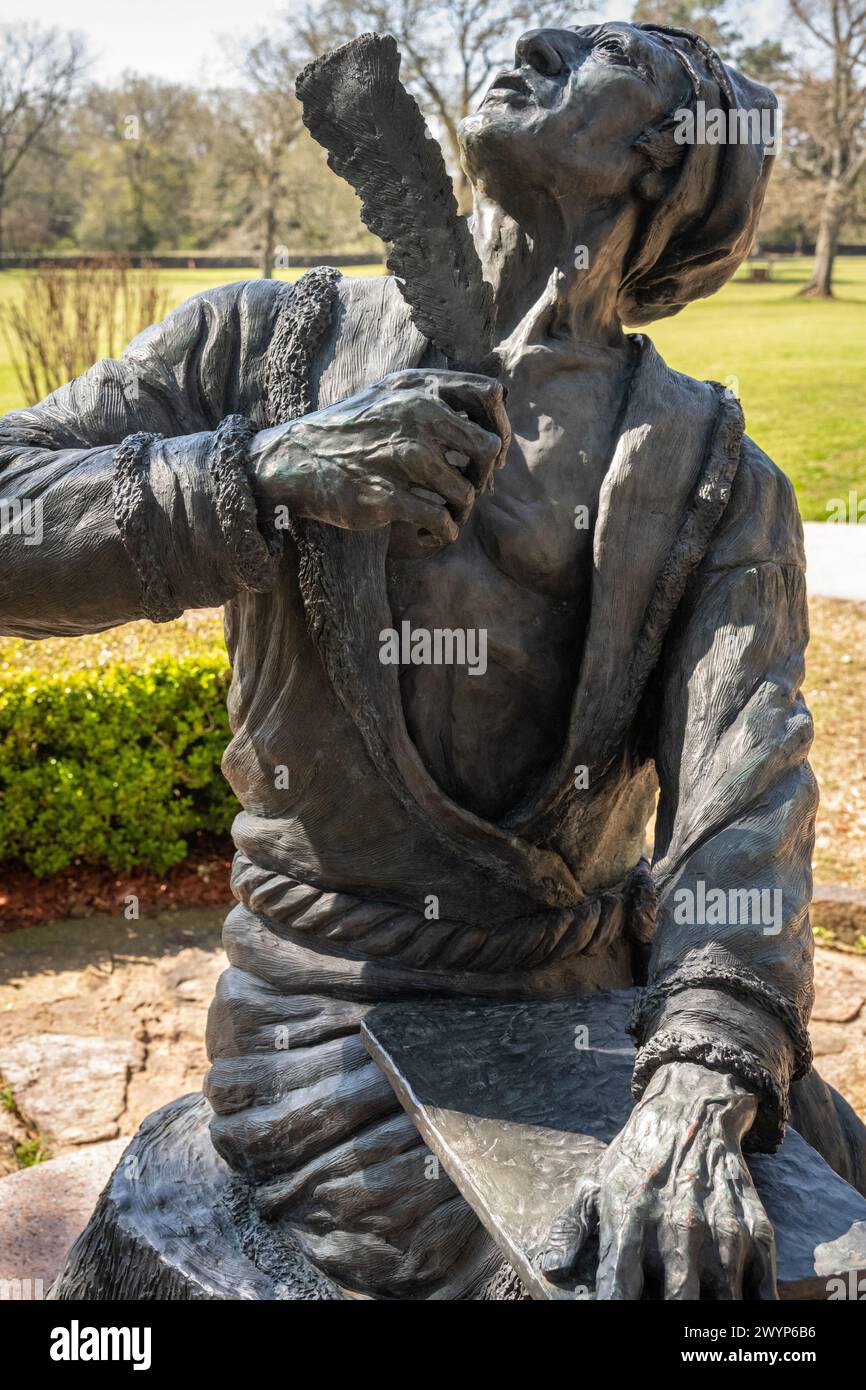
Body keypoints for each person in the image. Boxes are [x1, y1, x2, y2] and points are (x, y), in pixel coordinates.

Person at [2, 22, 864, 1300]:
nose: (535, 38)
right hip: (336, 1031)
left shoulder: (713, 480)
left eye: (597, 49)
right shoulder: (269, 349)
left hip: (603, 1014)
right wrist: (256, 475)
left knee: (801, 1254)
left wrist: (701, 1074)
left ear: (658, 161)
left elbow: (748, 806)